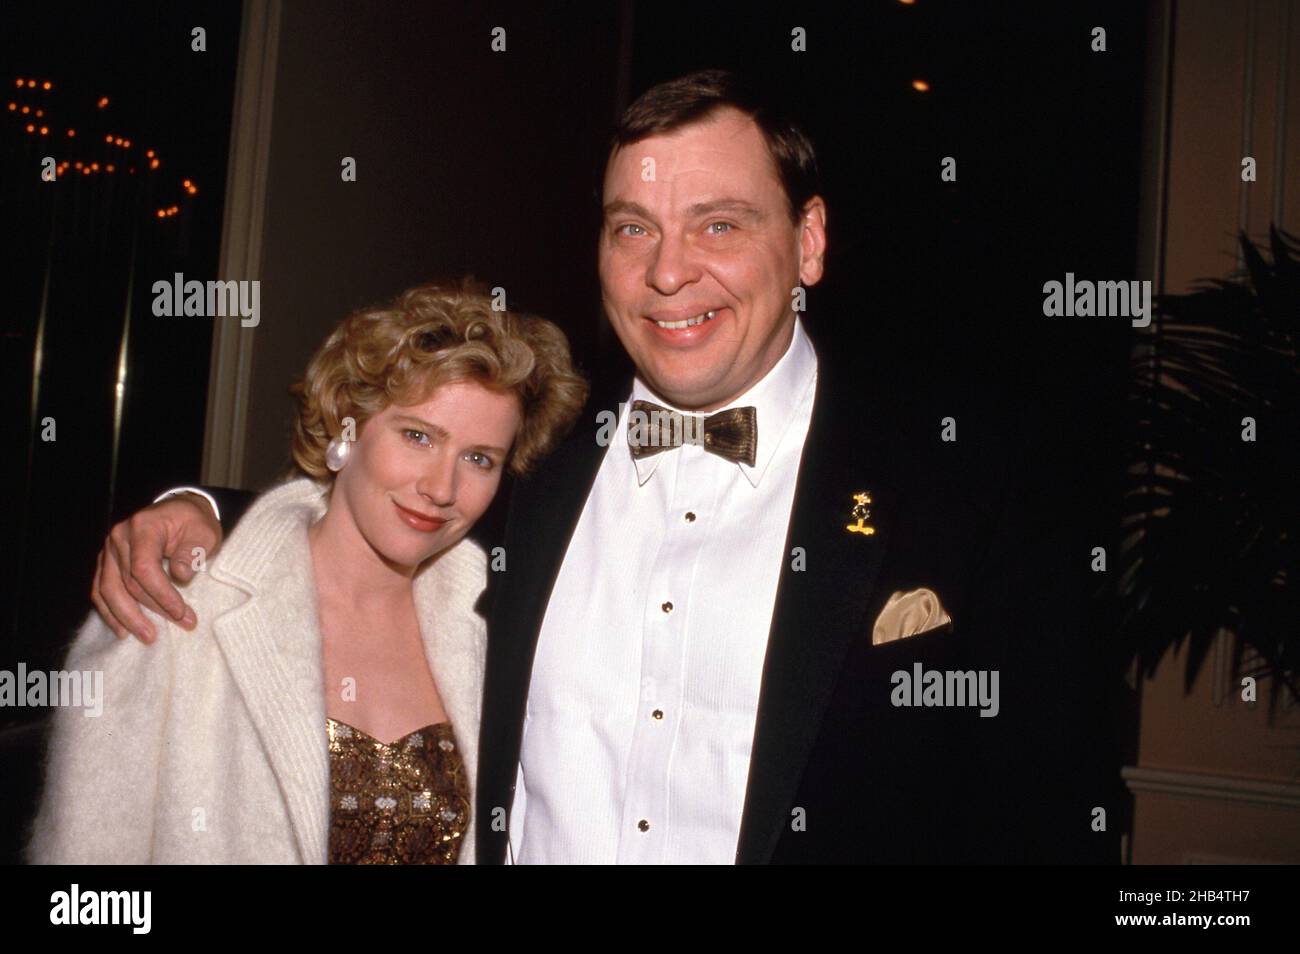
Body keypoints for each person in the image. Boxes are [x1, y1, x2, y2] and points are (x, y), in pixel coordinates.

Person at [91, 70, 1116, 864]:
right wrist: (196, 509)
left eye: (719, 224)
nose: (668, 273)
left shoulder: (976, 486)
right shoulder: (528, 471)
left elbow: (1047, 822)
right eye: (635, 229)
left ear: (806, 242)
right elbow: (373, 504)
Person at [27, 280, 587, 864]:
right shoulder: (172, 602)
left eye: (479, 459)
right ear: (348, 426)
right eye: (418, 436)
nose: (442, 488)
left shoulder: (498, 627)